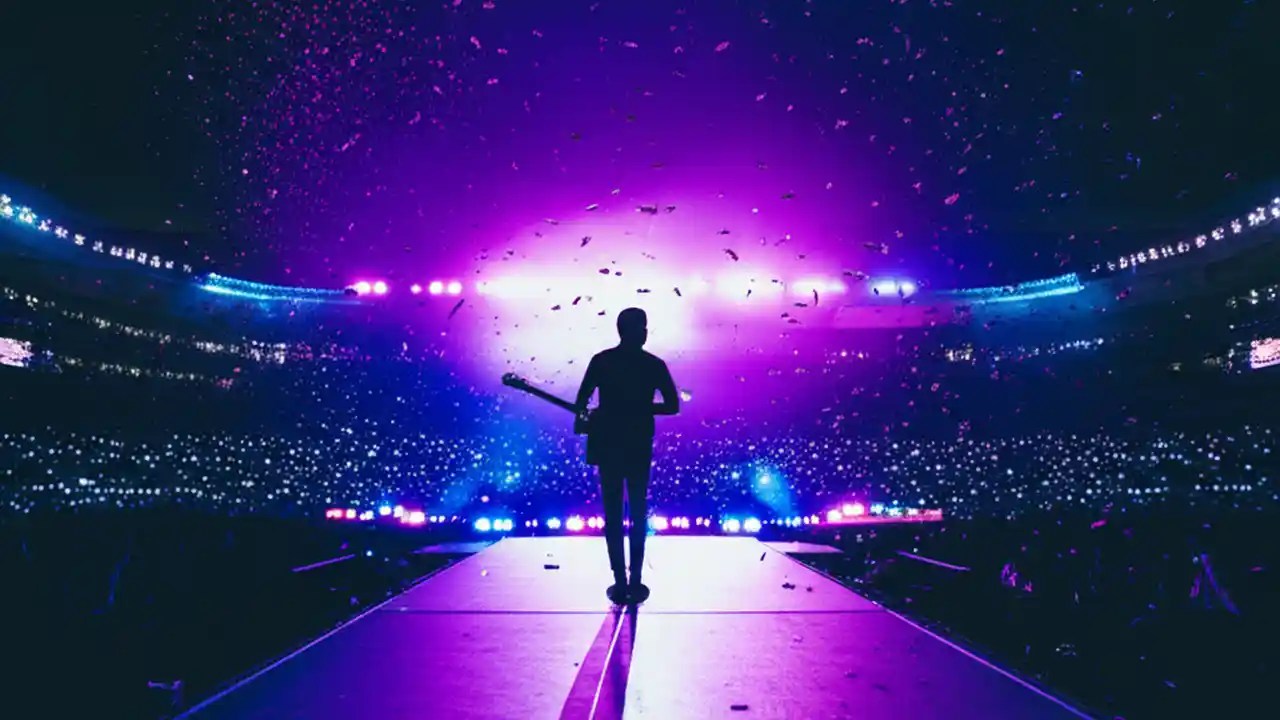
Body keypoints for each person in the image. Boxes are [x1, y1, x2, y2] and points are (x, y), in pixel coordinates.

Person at [575, 308, 680, 604]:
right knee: (635, 511)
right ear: (631, 330)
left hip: (609, 442)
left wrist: (590, 419)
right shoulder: (653, 365)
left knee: (614, 514)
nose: (646, 332)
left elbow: (581, 403)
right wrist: (642, 408)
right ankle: (633, 580)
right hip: (635, 444)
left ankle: (621, 580)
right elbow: (672, 406)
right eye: (643, 327)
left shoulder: (602, 361)